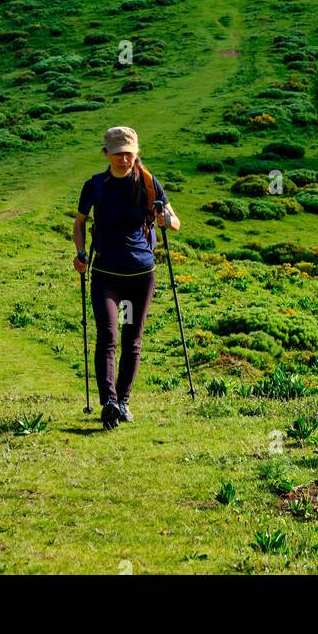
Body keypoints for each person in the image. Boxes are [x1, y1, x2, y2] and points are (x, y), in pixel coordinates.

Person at [73, 125, 180, 430]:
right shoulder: (95, 185)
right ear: (106, 154)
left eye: (129, 154)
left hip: (141, 275)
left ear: (136, 153)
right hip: (105, 274)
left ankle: (123, 402)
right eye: (118, 154)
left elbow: (176, 223)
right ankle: (108, 402)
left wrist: (164, 219)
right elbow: (79, 223)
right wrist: (80, 253)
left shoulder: (148, 181)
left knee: (132, 340)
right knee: (108, 335)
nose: (124, 160)